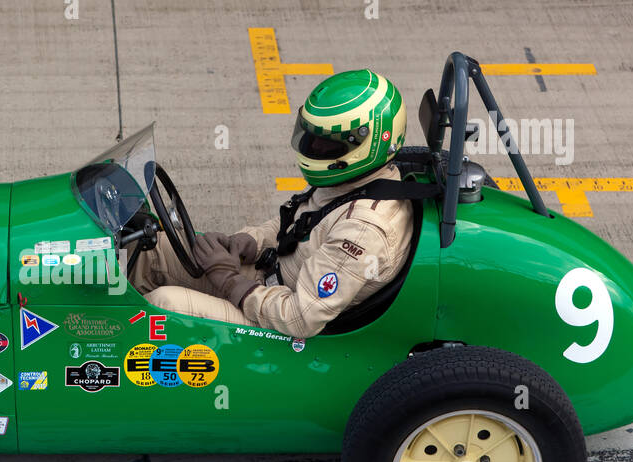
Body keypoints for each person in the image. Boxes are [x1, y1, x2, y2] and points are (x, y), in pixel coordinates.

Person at [130, 69, 420, 338]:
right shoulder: (352, 183)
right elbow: (301, 225)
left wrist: (230, 281)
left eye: (327, 144)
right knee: (147, 251)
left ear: (368, 144)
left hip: (283, 330)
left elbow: (300, 319)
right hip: (267, 283)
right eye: (311, 137)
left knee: (162, 307)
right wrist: (248, 241)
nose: (313, 148)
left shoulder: (362, 232)